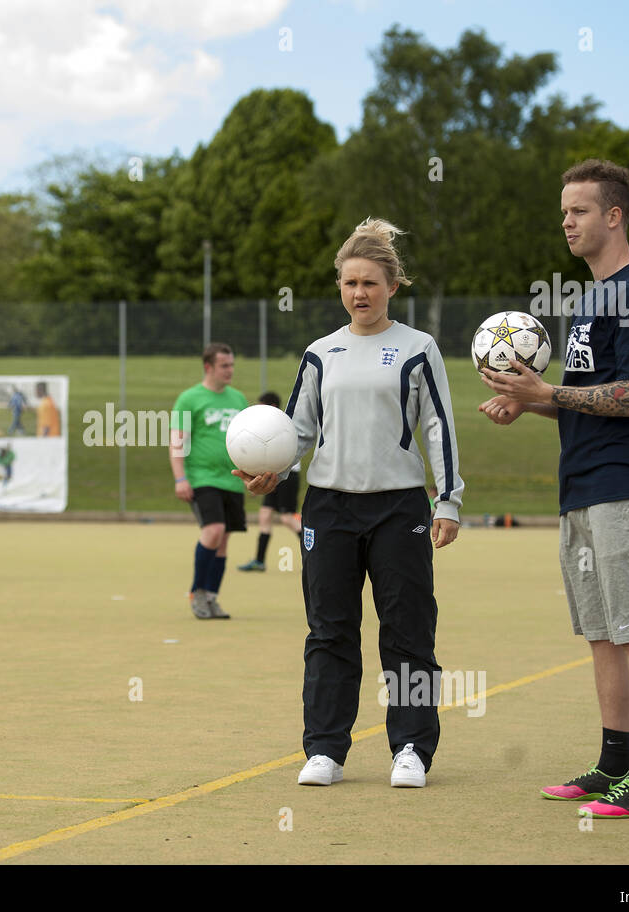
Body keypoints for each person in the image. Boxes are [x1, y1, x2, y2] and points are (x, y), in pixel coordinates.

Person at [480, 158, 629, 819]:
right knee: (601, 630)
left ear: (614, 216)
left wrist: (550, 391)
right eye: (563, 211)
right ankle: (613, 764)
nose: (566, 221)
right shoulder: (592, 299)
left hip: (628, 483)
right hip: (582, 489)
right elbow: (583, 399)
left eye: (580, 210)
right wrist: (531, 401)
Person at [238, 218, 462, 789]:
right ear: (340, 287)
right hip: (330, 509)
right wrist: (273, 473)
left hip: (400, 509)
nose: (359, 293)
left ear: (392, 284)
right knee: (329, 630)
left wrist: (449, 500)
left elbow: (439, 426)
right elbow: (295, 432)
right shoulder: (321, 353)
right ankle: (325, 750)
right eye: (349, 283)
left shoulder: (419, 348)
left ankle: (411, 747)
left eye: (370, 282)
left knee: (408, 630)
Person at [171, 343, 249, 619]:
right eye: (224, 365)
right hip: (202, 478)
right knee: (214, 530)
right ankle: (197, 593)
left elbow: (248, 442)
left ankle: (212, 597)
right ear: (208, 367)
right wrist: (180, 477)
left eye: (232, 365)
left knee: (224, 540)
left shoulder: (239, 400)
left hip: (231, 481)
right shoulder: (189, 399)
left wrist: (251, 474)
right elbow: (177, 443)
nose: (230, 370)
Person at [237, 392, 302, 571]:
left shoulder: (284, 423)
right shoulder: (263, 424)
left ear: (272, 406)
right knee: (265, 515)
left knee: (287, 518)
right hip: (270, 476)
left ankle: (314, 554)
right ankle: (259, 561)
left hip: (288, 477)